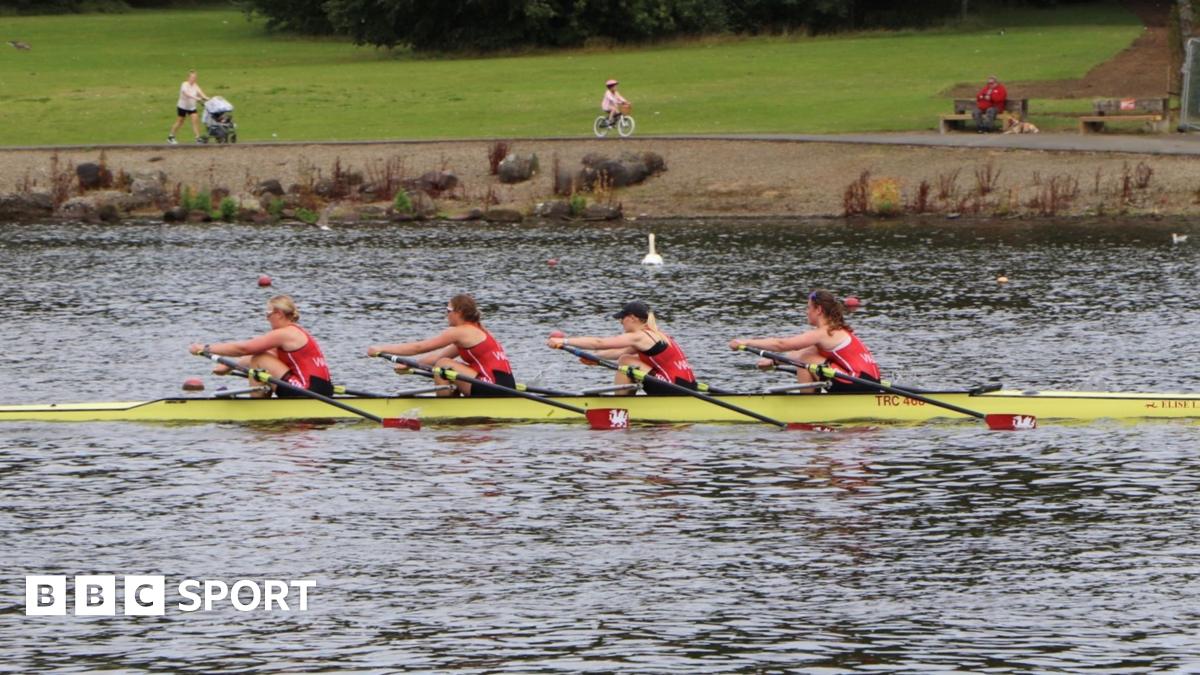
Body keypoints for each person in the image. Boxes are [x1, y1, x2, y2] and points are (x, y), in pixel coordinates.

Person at [728, 289, 881, 393]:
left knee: (804, 360)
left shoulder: (823, 332)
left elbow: (782, 345)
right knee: (806, 356)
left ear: (818, 310)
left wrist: (746, 342)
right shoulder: (835, 331)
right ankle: (810, 401)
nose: (806, 312)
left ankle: (806, 406)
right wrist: (774, 362)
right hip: (870, 383)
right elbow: (801, 352)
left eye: (808, 308)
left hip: (860, 384)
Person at [366, 294, 515, 397]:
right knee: (443, 362)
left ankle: (445, 406)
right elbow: (437, 357)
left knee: (443, 365)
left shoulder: (460, 332)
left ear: (459, 312)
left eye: (448, 311)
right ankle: (454, 401)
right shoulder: (478, 331)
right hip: (506, 386)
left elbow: (419, 348)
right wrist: (409, 365)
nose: (446, 315)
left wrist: (382, 348)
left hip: (492, 386)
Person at [188, 295, 333, 398]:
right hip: (322, 390)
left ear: (279, 314)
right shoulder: (296, 332)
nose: (266, 317)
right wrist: (229, 367)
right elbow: (261, 354)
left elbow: (244, 349)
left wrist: (205, 348)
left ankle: (257, 404)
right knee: (260, 357)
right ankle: (262, 399)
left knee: (259, 360)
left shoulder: (284, 333)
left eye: (268, 313)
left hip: (307, 391)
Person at [546, 301, 697, 396]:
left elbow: (599, 342)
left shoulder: (640, 336)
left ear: (633, 318)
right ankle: (625, 398)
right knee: (628, 357)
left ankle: (620, 403)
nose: (620, 322)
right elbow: (619, 352)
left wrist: (564, 340)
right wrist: (595, 357)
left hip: (673, 388)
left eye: (622, 318)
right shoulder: (658, 335)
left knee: (625, 361)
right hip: (688, 386)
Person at [169, 70, 209, 145]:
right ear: (188, 78)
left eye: (195, 78)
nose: (194, 79)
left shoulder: (195, 86)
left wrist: (207, 98)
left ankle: (198, 138)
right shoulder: (184, 84)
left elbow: (201, 93)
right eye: (192, 77)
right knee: (180, 121)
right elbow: (186, 94)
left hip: (191, 107)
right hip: (182, 107)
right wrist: (196, 98)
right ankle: (171, 137)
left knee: (195, 120)